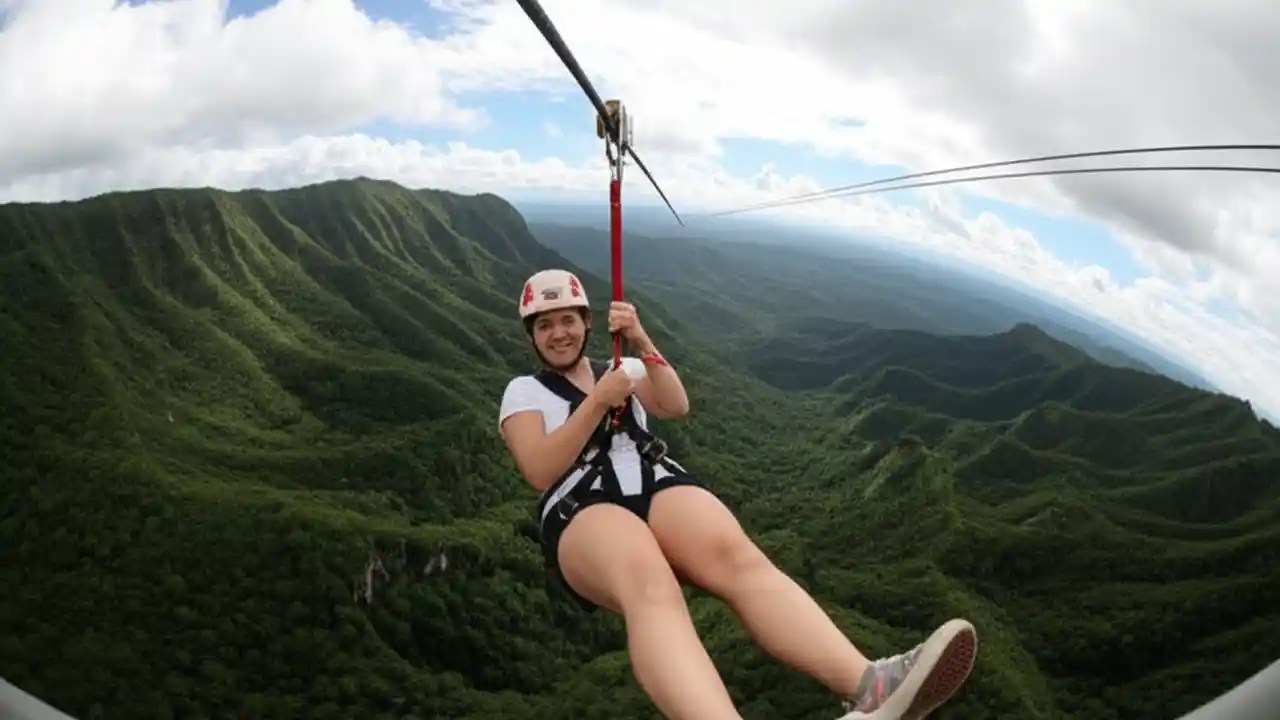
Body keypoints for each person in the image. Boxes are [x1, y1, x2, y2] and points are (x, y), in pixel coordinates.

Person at [498, 269, 978, 720]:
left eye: (567, 320)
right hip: (583, 506)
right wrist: (599, 401)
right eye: (545, 325)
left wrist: (641, 340)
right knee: (649, 586)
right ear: (531, 336)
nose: (559, 333)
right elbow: (540, 469)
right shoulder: (524, 391)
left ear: (586, 323)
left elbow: (674, 403)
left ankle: (872, 685)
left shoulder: (620, 368)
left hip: (651, 479)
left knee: (738, 558)